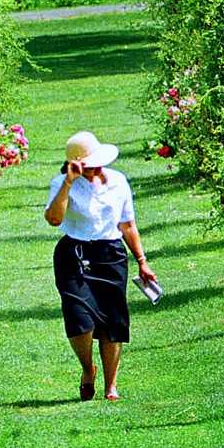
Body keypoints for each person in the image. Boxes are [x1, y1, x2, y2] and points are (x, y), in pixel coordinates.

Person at [43, 131, 156, 401]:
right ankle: (87, 368)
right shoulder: (61, 183)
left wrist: (142, 261)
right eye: (89, 165)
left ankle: (111, 385)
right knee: (78, 318)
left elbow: (127, 224)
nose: (96, 169)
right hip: (74, 252)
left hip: (111, 253)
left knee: (113, 321)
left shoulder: (117, 181)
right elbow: (54, 219)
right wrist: (69, 183)